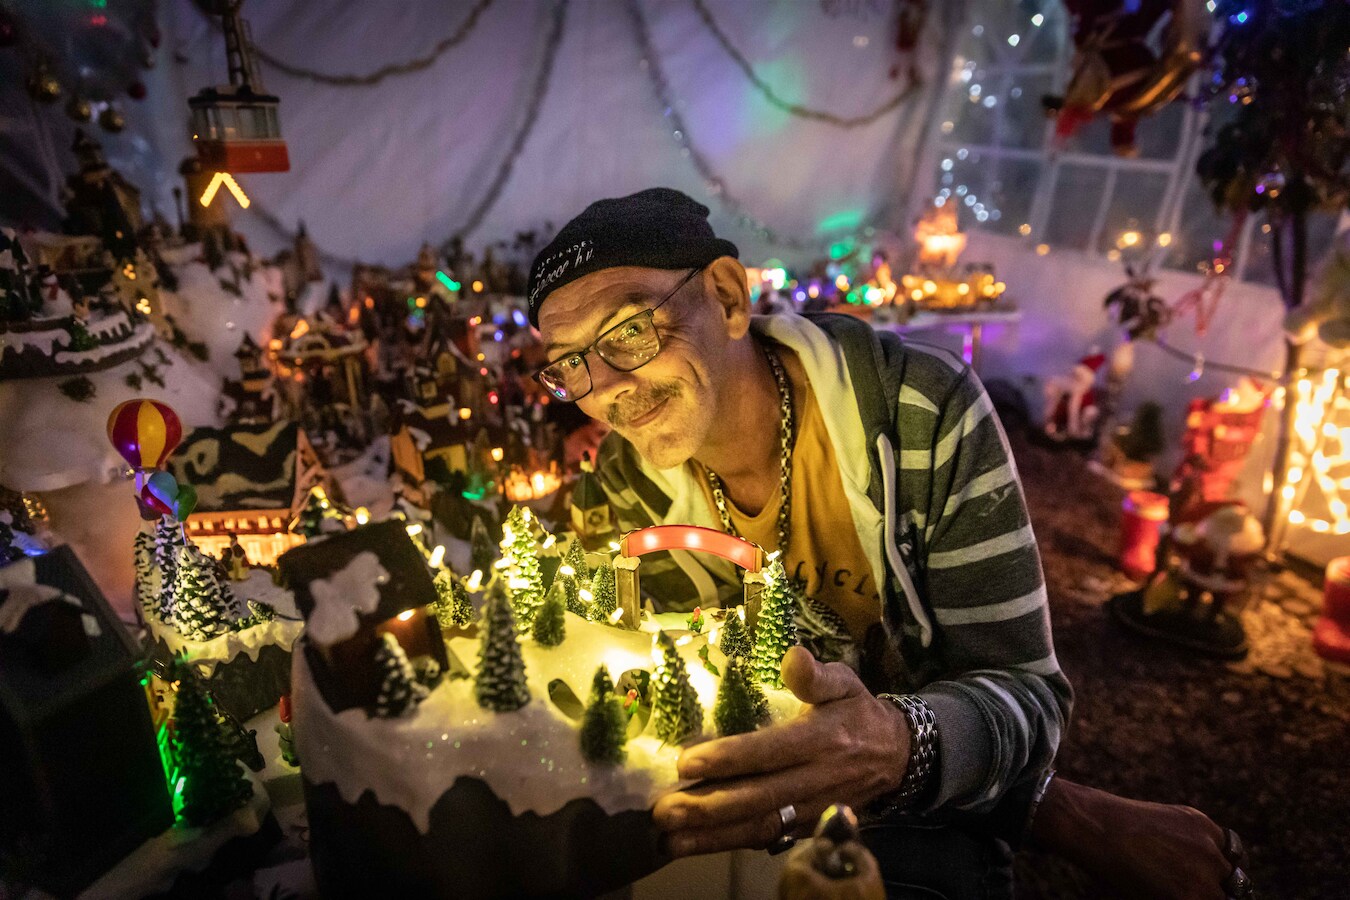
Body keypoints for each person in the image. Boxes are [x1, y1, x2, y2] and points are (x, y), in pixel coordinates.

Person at [525, 188, 1247, 899]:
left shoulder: (920, 416)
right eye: (572, 364)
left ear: (727, 296)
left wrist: (902, 743)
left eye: (628, 332)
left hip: (938, 814)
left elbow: (1029, 701)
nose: (608, 386)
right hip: (785, 803)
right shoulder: (632, 485)